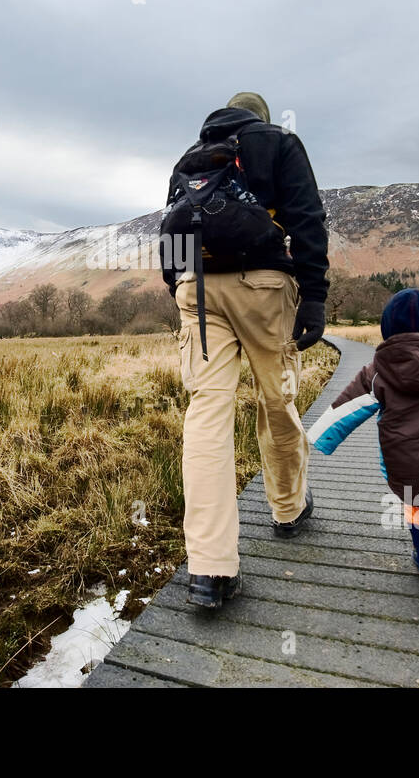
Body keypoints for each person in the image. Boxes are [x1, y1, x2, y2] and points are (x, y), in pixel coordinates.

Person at [160, 91, 329, 610]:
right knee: (276, 399)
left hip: (199, 291)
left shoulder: (191, 156)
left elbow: (173, 234)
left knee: (206, 415)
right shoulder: (279, 143)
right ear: (263, 118)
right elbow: (307, 220)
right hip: (263, 289)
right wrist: (315, 299)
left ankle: (209, 569)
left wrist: (180, 291)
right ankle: (287, 509)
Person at [306, 289, 419, 623]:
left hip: (403, 466)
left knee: (415, 502)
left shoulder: (376, 371)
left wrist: (317, 439)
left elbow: (345, 410)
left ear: (386, 329)